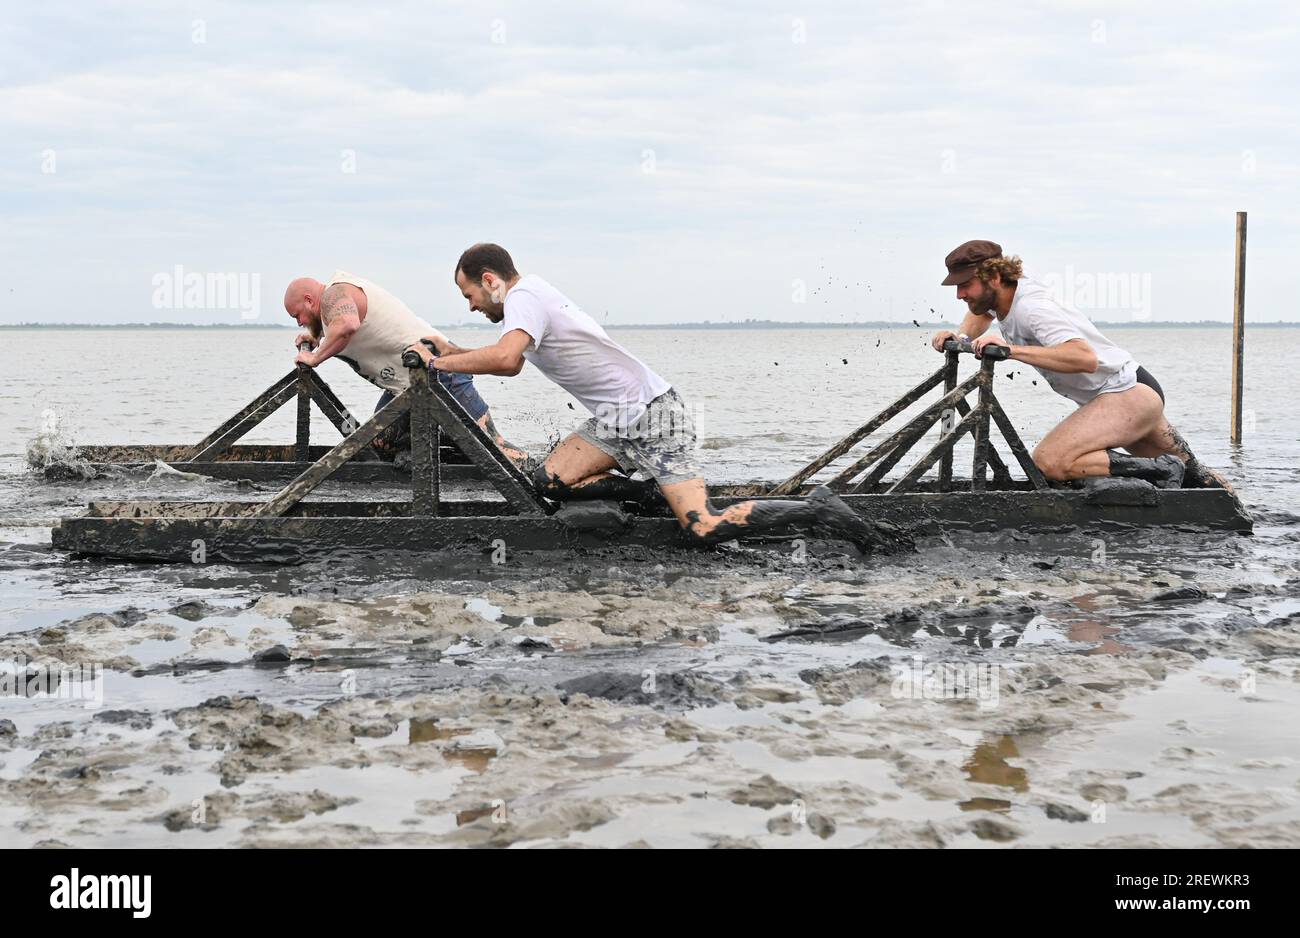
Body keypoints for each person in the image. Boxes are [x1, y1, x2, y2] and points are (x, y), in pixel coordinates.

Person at [403, 243, 910, 554]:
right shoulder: (526, 300)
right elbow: (499, 353)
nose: (471, 305)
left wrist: (441, 364)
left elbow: (508, 360)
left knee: (705, 527)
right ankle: (651, 494)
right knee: (549, 481)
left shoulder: (524, 299)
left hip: (652, 417)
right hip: (616, 418)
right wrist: (453, 351)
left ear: (490, 280)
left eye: (469, 294)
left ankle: (817, 510)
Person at [930, 240, 1221, 489]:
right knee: (1197, 479)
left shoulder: (1033, 309)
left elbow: (1084, 357)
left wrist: (1012, 350)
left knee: (1050, 461)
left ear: (993, 276)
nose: (960, 295)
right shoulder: (1005, 292)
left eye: (966, 285)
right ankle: (1230, 514)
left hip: (1126, 394)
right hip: (1128, 391)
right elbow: (983, 311)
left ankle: (1161, 471)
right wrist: (962, 336)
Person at [283, 272, 524, 462]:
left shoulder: (335, 292)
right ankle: (450, 447)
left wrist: (315, 359)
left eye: (297, 316)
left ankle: (535, 476)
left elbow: (346, 323)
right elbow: (336, 324)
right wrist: (315, 338)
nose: (299, 323)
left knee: (494, 449)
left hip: (441, 372)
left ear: (309, 300)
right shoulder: (331, 305)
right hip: (407, 389)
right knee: (380, 442)